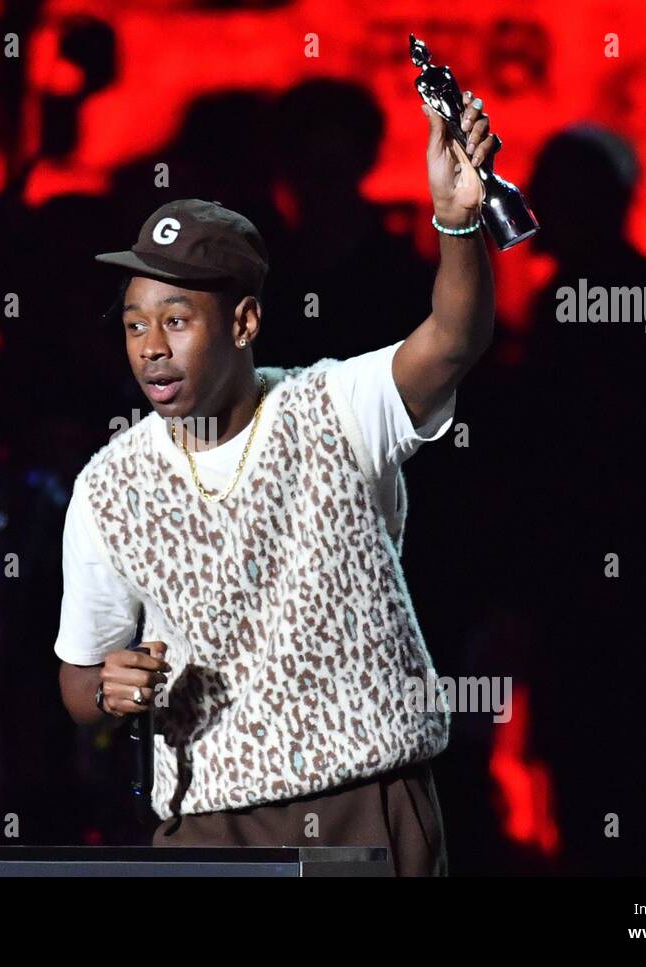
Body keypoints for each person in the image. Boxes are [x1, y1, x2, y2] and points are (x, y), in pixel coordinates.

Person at [54, 91, 500, 875]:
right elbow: (79, 674)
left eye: (176, 320)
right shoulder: (108, 486)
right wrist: (107, 691)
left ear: (245, 323)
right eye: (133, 323)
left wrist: (457, 222)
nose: (150, 347)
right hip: (206, 825)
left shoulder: (333, 406)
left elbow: (453, 342)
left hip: (366, 801)